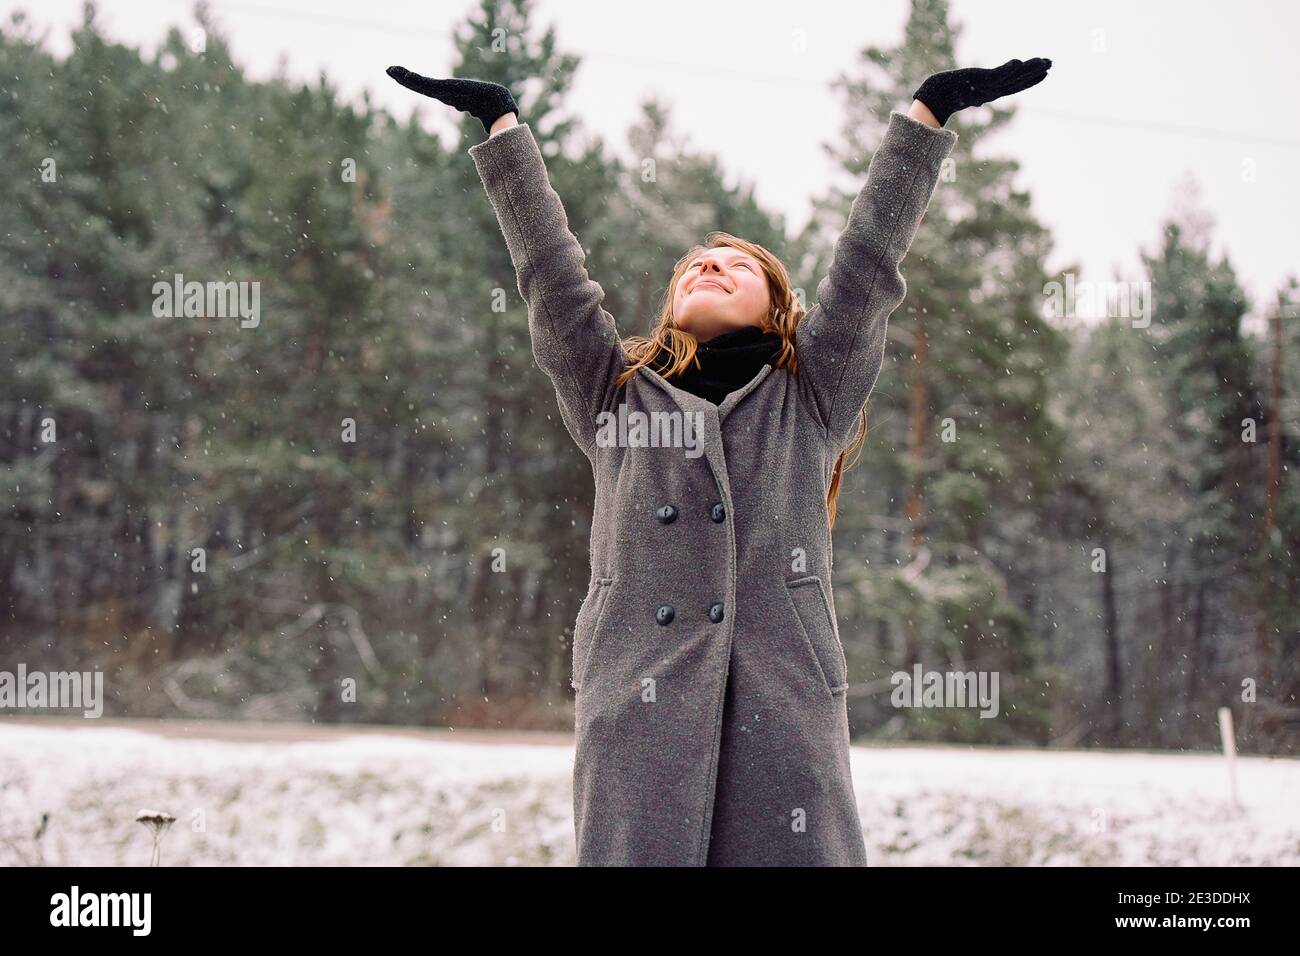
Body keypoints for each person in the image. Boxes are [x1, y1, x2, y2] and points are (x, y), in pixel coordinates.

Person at [388, 56, 1051, 866]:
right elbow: (551, 282)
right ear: (671, 303)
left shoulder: (810, 393)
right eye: (694, 263)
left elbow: (867, 267)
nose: (709, 264)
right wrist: (502, 130)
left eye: (737, 264)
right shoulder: (614, 397)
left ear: (779, 309)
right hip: (636, 715)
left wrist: (925, 115)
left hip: (783, 717)